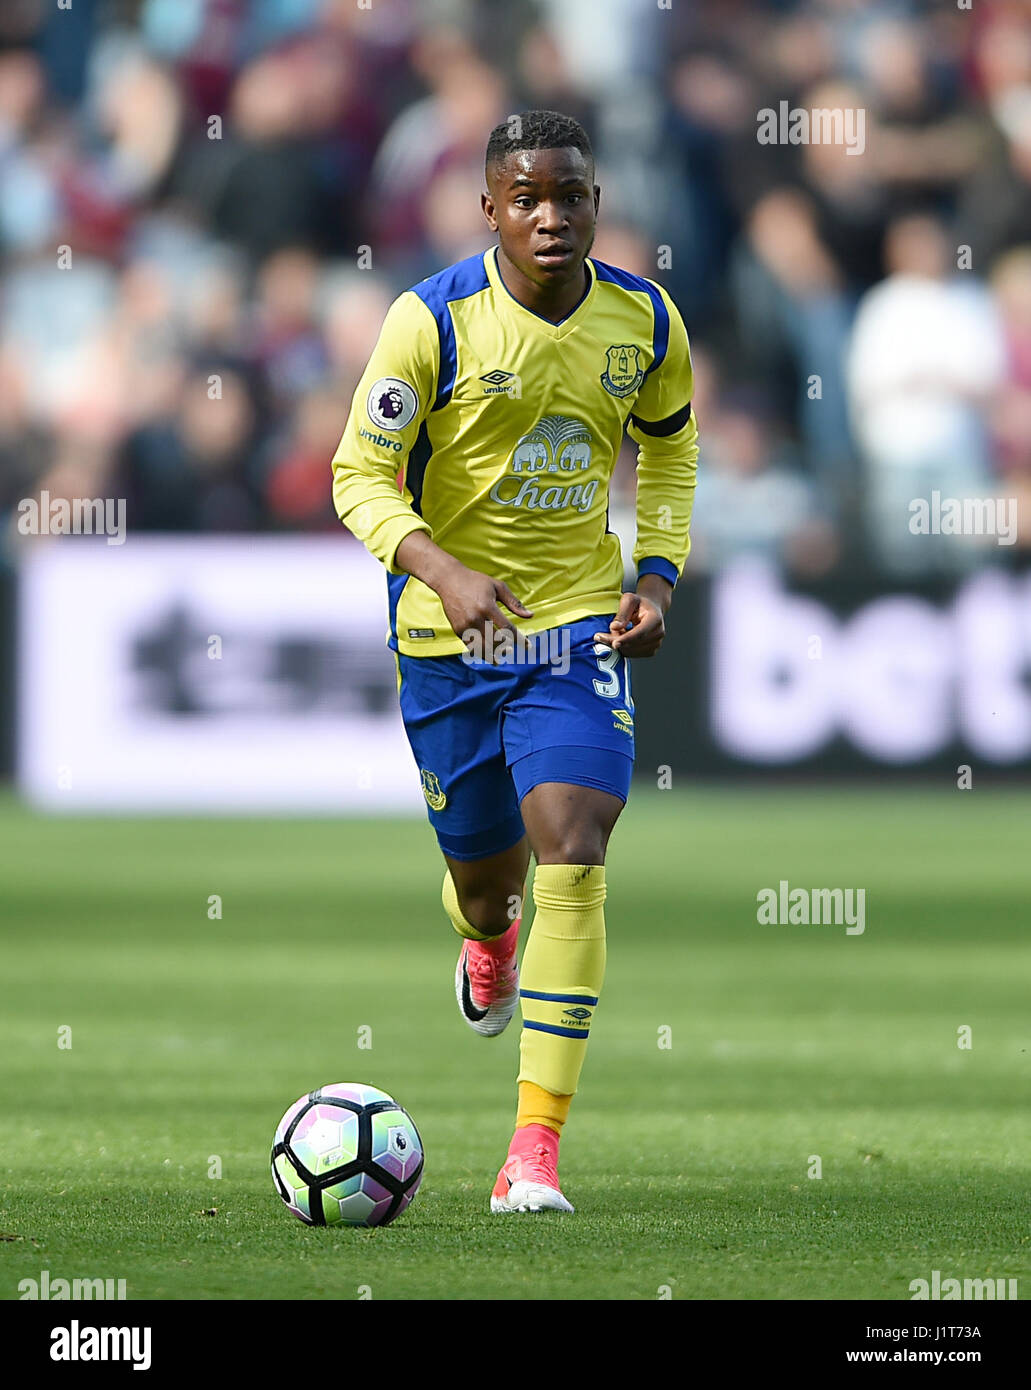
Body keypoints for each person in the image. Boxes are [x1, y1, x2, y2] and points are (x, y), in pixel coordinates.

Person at [331, 110, 698, 1213]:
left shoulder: (644, 319)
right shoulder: (429, 323)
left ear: (596, 203)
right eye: (525, 197)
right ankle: (484, 942)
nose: (550, 215)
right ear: (487, 207)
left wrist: (657, 575)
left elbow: (669, 449)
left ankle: (530, 1153)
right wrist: (441, 573)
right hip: (450, 640)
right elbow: (357, 476)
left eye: (570, 195)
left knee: (572, 846)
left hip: (576, 627)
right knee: (488, 887)